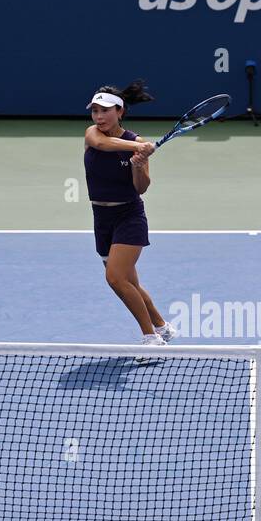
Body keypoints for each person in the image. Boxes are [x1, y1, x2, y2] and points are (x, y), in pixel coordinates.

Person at [84, 79, 178, 347]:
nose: (99, 116)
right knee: (129, 282)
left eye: (105, 111)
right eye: (95, 111)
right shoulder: (92, 134)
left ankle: (151, 337)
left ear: (120, 112)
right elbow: (103, 146)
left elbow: (141, 188)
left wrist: (138, 165)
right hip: (101, 220)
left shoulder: (136, 143)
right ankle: (163, 326)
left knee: (114, 278)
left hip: (129, 217)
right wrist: (138, 147)